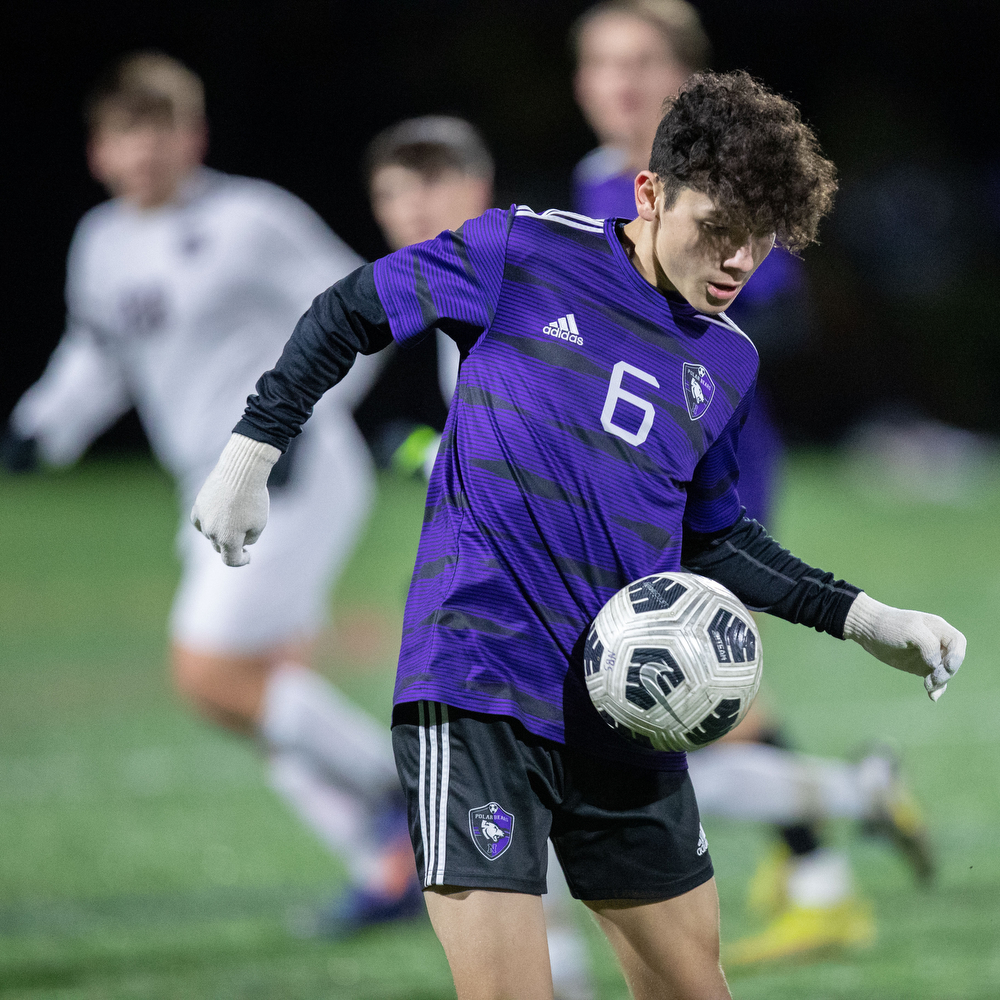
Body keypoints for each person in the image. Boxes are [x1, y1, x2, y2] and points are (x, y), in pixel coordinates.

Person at [192, 72, 965, 999]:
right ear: (650, 195)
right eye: (715, 231)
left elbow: (712, 538)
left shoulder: (727, 360)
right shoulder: (521, 251)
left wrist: (868, 617)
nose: (733, 264)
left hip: (627, 706)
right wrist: (252, 450)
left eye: (757, 247)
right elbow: (350, 310)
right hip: (476, 686)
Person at [1, 51, 420, 935]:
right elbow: (101, 354)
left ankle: (413, 798)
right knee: (266, 688)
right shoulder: (102, 242)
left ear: (193, 137)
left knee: (210, 671)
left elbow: (365, 310)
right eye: (127, 134)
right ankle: (391, 867)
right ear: (99, 152)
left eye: (163, 130)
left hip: (289, 471)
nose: (145, 151)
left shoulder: (250, 219)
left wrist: (293, 424)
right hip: (207, 485)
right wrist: (45, 425)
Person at [570, 0, 934, 965]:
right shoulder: (594, 184)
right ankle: (835, 832)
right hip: (618, 478)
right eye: (603, 63)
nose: (620, 81)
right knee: (706, 689)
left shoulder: (719, 187)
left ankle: (825, 864)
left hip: (703, 477)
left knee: (684, 685)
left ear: (683, 79)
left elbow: (769, 314)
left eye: (641, 62)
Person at [364, 113, 596, 1000]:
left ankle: (839, 803)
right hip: (527, 573)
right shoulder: (457, 281)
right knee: (552, 783)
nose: (405, 212)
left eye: (426, 189)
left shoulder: (509, 267)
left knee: (551, 783)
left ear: (475, 189)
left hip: (550, 580)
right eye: (390, 195)